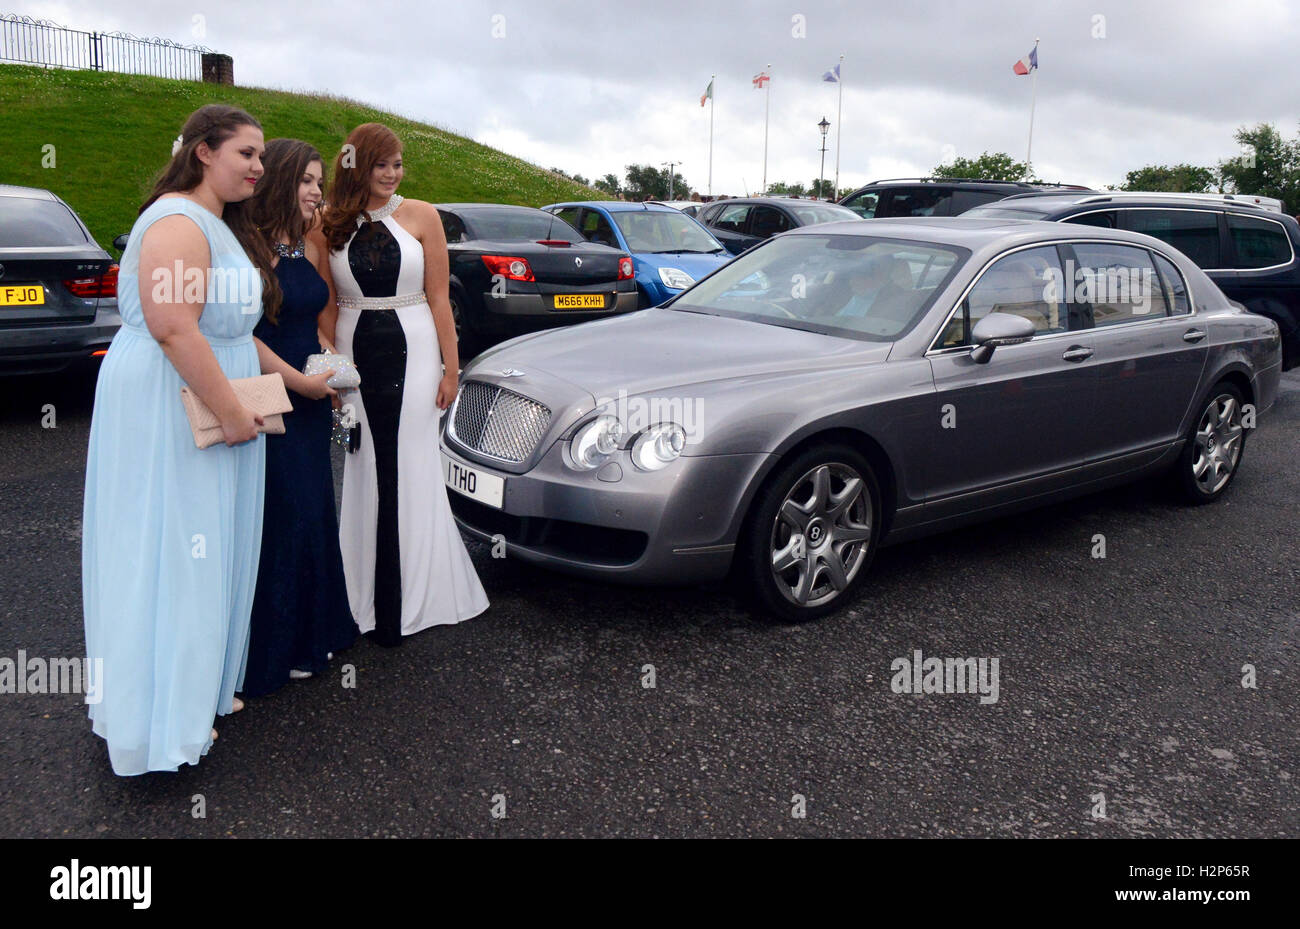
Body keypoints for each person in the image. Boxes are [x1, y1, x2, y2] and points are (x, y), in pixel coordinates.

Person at [82, 104, 333, 775]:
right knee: (172, 548)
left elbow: (225, 328)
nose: (258, 166)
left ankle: (192, 694)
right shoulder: (177, 221)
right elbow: (172, 327)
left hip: (207, 400)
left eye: (259, 156)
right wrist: (230, 411)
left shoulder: (218, 224)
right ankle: (159, 716)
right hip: (175, 403)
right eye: (246, 153)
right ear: (203, 153)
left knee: (205, 550)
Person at [317, 123, 488, 646]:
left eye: (397, 164)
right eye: (380, 165)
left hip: (416, 355)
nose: (392, 174)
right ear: (357, 166)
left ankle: (424, 593)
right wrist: (329, 365)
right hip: (353, 358)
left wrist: (451, 369)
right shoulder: (329, 222)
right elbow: (324, 306)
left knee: (413, 462)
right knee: (364, 461)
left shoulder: (423, 216)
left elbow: (440, 299)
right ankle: (360, 596)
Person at [241, 139, 355, 697]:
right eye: (308, 182)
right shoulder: (250, 248)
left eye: (319, 182)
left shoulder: (303, 246)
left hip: (311, 398)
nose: (317, 192)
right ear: (282, 182)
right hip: (269, 395)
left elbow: (312, 320)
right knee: (283, 516)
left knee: (313, 512)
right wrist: (299, 381)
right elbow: (248, 337)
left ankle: (315, 636)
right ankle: (272, 650)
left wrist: (331, 368)